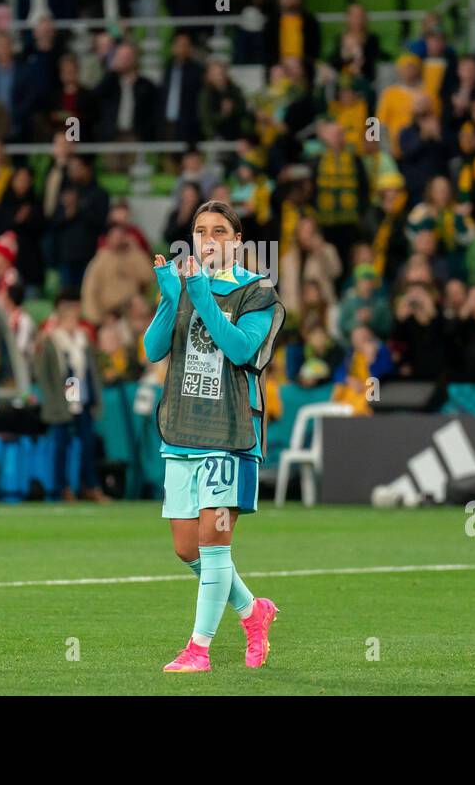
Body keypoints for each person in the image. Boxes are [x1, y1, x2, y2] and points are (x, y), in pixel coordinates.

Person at [143, 200, 285, 673]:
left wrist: (200, 295)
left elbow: (243, 349)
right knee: (186, 548)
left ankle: (198, 650)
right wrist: (169, 300)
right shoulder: (186, 287)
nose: (209, 239)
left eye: (220, 231)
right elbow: (153, 349)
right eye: (201, 230)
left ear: (238, 241)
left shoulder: (257, 292)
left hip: (229, 431)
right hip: (182, 428)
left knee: (214, 544)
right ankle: (253, 611)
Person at [36, 288, 110, 503]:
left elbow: (90, 372)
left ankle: (90, 485)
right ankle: (62, 487)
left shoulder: (82, 340)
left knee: (87, 444)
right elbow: (45, 376)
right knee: (61, 445)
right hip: (62, 400)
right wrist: (53, 402)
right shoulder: (52, 341)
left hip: (81, 397)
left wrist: (95, 398)